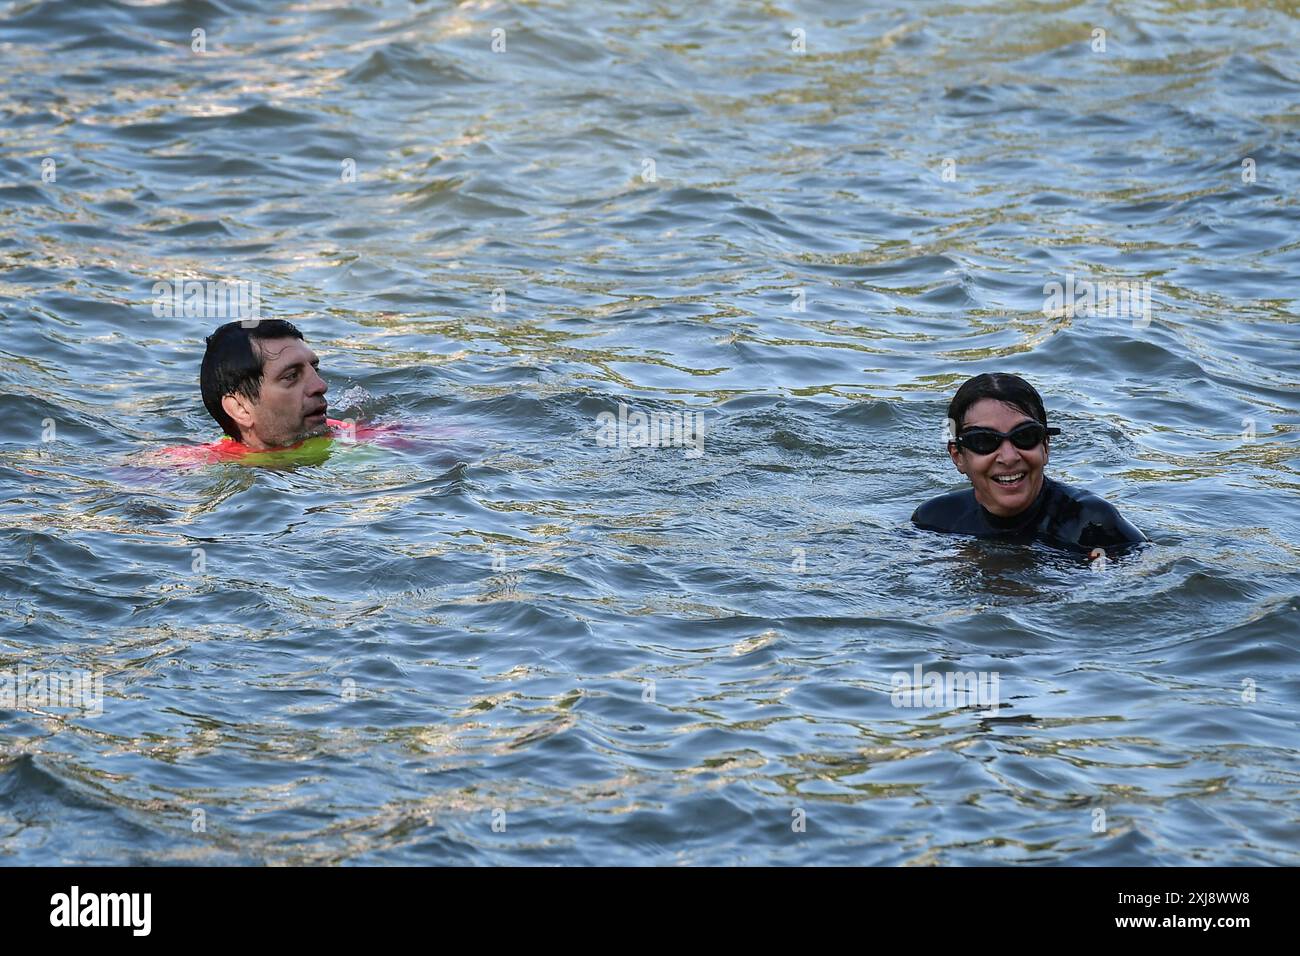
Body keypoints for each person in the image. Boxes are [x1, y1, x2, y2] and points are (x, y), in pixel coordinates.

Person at [911, 372, 1147, 555]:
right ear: (958, 456)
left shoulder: (1090, 524)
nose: (1009, 456)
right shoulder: (936, 520)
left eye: (1024, 437)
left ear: (1045, 447)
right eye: (984, 441)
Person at [159, 319, 396, 464]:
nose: (320, 385)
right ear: (240, 408)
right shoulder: (197, 464)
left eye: (314, 369)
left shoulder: (359, 438)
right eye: (291, 376)